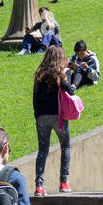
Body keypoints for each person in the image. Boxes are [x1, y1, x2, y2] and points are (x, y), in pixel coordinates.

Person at [33, 46, 76, 194]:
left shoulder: (39, 74)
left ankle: (39, 186)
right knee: (66, 146)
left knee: (42, 151)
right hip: (58, 118)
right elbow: (69, 90)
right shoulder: (61, 74)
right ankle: (63, 182)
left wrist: (37, 116)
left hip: (41, 118)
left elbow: (34, 99)